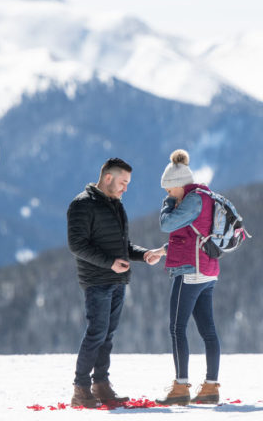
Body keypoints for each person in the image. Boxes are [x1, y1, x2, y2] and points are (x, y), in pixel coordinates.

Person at [67, 157, 163, 408]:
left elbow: (123, 247)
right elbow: (77, 245)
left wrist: (143, 254)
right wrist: (109, 263)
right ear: (108, 178)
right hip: (96, 280)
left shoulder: (116, 205)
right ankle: (80, 389)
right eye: (123, 182)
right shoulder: (82, 205)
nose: (126, 188)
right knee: (96, 333)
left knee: (107, 335)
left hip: (117, 280)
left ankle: (101, 385)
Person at [143, 149, 222, 405]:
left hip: (189, 273)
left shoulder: (192, 199)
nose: (167, 195)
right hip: (207, 272)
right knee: (208, 331)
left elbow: (167, 225)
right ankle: (210, 388)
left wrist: (167, 205)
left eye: (168, 190)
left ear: (178, 184)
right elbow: (190, 236)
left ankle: (180, 387)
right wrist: (163, 251)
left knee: (177, 328)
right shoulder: (203, 197)